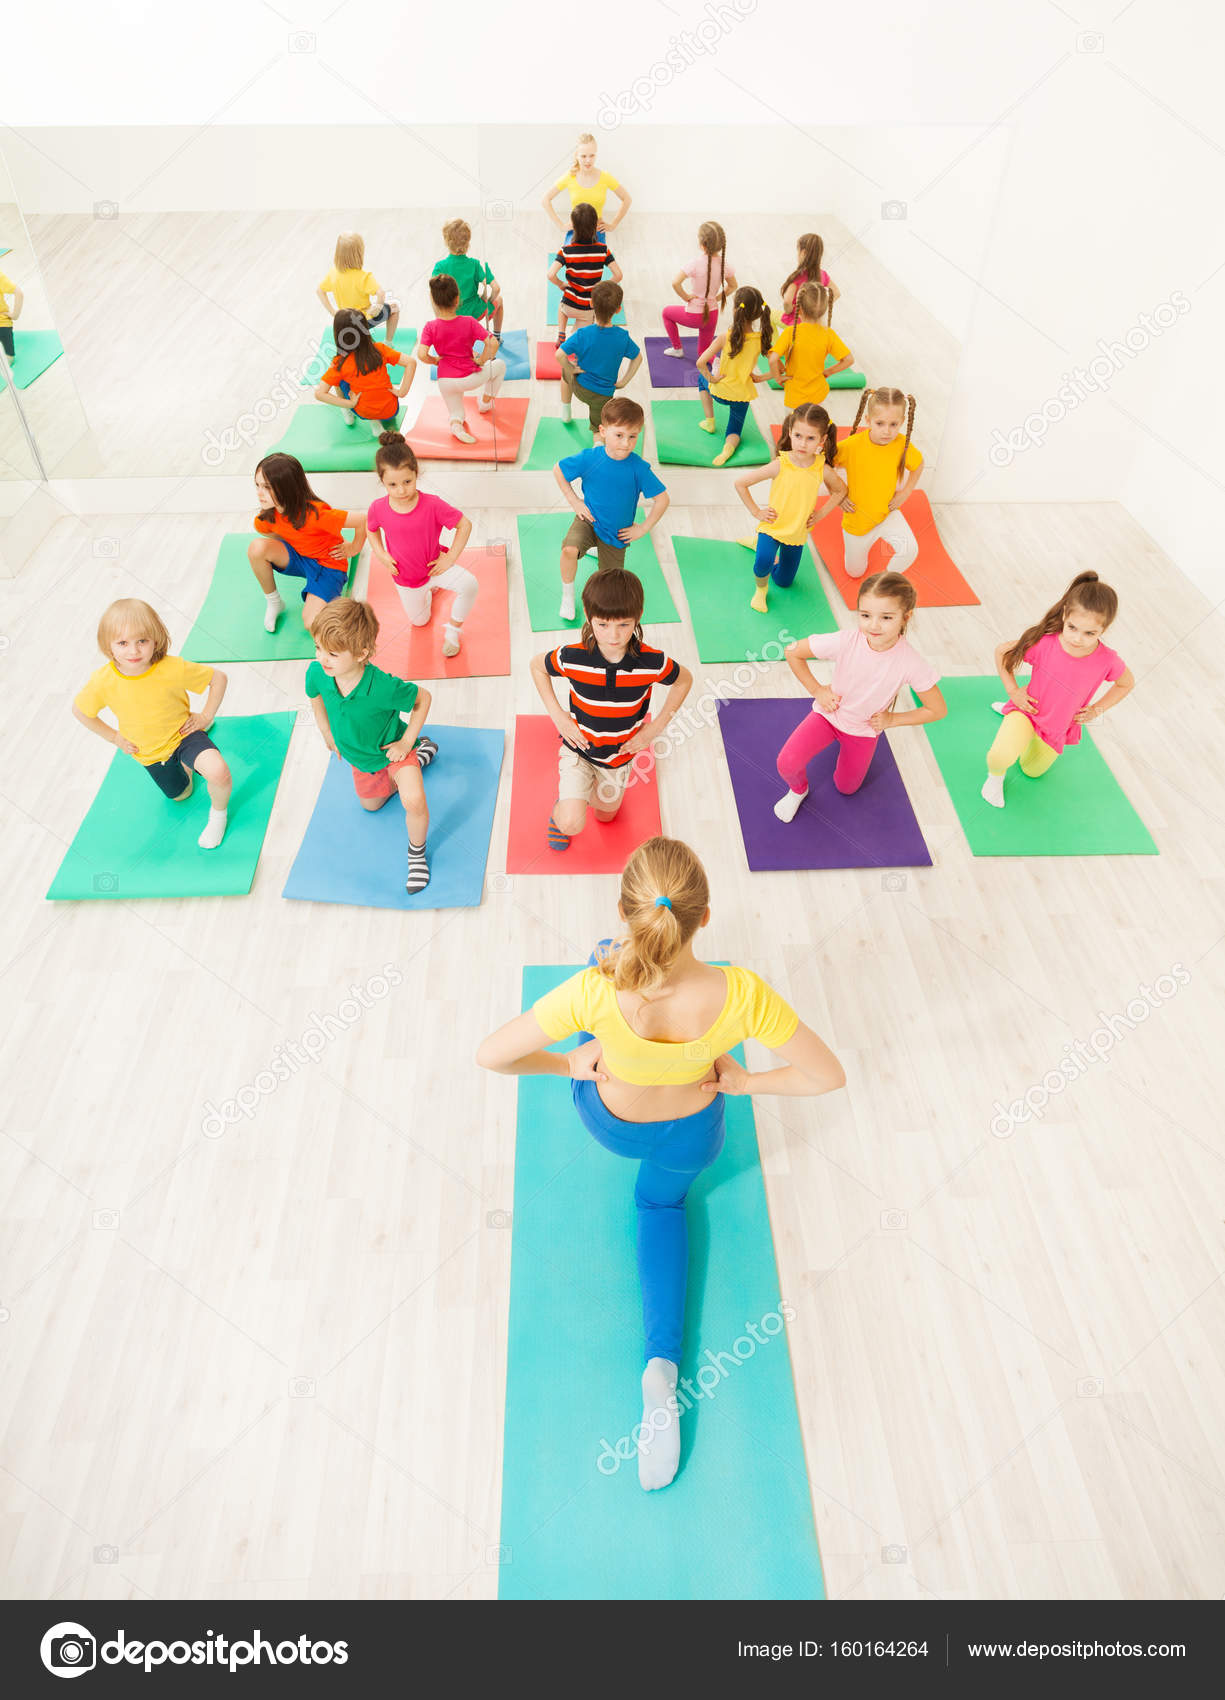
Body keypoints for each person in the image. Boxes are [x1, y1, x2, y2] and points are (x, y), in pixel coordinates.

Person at [476, 835, 845, 1490]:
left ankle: (615, 962)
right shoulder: (744, 994)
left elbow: (492, 1055)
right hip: (690, 1132)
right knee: (658, 1206)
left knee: (599, 972)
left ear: (627, 913)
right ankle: (660, 1368)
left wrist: (566, 1060)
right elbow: (824, 1078)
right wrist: (741, 1082)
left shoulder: (591, 992)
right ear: (705, 918)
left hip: (611, 1123)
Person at [530, 568, 691, 852]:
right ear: (589, 616)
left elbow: (684, 680)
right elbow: (536, 667)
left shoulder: (652, 662)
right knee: (572, 823)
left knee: (606, 815)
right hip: (578, 748)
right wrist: (558, 717)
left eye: (623, 625)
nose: (613, 635)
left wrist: (654, 729)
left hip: (618, 757)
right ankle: (565, 809)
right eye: (602, 625)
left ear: (637, 617)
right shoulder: (572, 656)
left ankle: (579, 797)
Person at [774, 572, 946, 816]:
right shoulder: (846, 640)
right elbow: (792, 651)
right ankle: (798, 790)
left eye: (886, 617)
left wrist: (893, 720)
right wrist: (817, 690)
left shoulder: (910, 662)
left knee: (846, 788)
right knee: (786, 763)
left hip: (863, 730)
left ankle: (847, 757)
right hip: (828, 716)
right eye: (865, 615)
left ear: (905, 617)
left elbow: (937, 709)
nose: (873, 625)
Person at [72, 599, 232, 850]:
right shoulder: (103, 681)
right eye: (123, 643)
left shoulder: (172, 667)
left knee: (218, 773)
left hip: (183, 735)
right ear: (108, 646)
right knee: (181, 795)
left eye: (142, 641)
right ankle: (186, 768)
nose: (133, 651)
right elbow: (81, 712)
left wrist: (205, 716)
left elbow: (218, 679)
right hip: (150, 752)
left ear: (155, 640)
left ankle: (218, 816)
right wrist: (114, 737)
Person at [304, 598, 437, 893]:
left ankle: (416, 854)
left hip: (393, 751)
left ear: (362, 653)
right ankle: (422, 755)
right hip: (362, 759)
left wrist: (405, 742)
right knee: (371, 806)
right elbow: (314, 695)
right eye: (318, 648)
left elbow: (422, 699)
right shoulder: (318, 673)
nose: (322, 659)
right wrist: (326, 732)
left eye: (333, 653)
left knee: (413, 801)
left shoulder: (382, 686)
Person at [982, 571, 1134, 808]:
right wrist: (1013, 691)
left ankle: (1021, 729)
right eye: (1072, 627)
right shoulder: (1044, 643)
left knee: (1031, 771)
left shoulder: (1107, 660)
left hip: (1057, 726)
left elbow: (1126, 683)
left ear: (1104, 629)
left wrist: (1097, 709)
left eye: (1089, 633)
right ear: (1065, 614)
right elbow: (1002, 652)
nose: (1077, 638)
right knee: (999, 756)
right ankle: (996, 771)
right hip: (1027, 711)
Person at [552, 397, 669, 622]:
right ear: (603, 431)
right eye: (619, 435)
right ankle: (567, 595)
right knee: (568, 550)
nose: (626, 443)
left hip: (616, 533)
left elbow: (663, 500)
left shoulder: (638, 468)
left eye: (633, 436)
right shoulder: (589, 458)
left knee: (608, 583)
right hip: (588, 520)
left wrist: (643, 529)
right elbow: (558, 469)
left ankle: (599, 549)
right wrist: (575, 501)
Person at [366, 431, 477, 659]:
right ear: (382, 481)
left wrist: (450, 558)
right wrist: (381, 554)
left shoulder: (432, 505)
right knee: (420, 622)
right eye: (393, 484)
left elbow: (464, 525)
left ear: (417, 473)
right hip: (406, 579)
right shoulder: (377, 508)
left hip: (435, 568)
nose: (401, 490)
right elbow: (371, 529)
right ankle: (428, 593)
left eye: (407, 481)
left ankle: (453, 630)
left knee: (469, 584)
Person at [733, 405, 845, 612]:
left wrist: (820, 514)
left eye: (810, 438)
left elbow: (840, 491)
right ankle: (761, 588)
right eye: (798, 435)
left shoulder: (823, 468)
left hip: (797, 532)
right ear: (789, 433)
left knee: (784, 581)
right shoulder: (780, 464)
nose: (803, 443)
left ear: (822, 441)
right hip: (772, 527)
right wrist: (756, 512)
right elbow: (741, 483)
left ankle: (759, 546)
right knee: (763, 562)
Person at [248, 454, 366, 633]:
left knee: (311, 623)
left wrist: (354, 547)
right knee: (257, 548)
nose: (259, 492)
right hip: (301, 558)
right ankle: (274, 602)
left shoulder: (317, 514)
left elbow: (362, 520)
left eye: (266, 487)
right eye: (257, 485)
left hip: (327, 566)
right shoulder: (266, 518)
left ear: (286, 488)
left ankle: (334, 601)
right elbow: (275, 535)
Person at [833, 387, 923, 578]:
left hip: (887, 514)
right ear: (868, 420)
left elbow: (918, 464)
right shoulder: (851, 446)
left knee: (910, 550)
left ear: (902, 422)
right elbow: (824, 465)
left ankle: (884, 581)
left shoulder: (901, 444)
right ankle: (862, 550)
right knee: (855, 572)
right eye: (880, 423)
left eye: (893, 424)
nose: (887, 431)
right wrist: (837, 495)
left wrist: (905, 493)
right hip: (857, 522)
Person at [417, 274, 505, 445]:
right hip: (470, 378)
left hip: (445, 382)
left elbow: (421, 354)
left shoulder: (430, 327)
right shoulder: (469, 322)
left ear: (434, 302)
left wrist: (434, 360)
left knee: (456, 413)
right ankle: (485, 403)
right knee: (499, 366)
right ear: (457, 300)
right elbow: (492, 343)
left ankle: (456, 425)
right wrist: (482, 361)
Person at [694, 286, 772, 467]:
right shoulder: (760, 339)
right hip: (741, 396)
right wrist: (762, 378)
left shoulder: (724, 337)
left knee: (700, 379)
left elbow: (700, 363)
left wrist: (712, 379)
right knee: (735, 429)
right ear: (759, 313)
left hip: (719, 391)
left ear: (735, 310)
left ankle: (710, 421)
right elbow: (779, 368)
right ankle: (727, 450)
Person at [557, 281, 641, 433]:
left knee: (564, 374)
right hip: (603, 396)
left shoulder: (582, 334)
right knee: (598, 431)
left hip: (579, 387)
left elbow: (560, 355)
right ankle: (598, 446)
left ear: (591, 303)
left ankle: (566, 413)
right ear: (618, 310)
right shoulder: (623, 337)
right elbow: (638, 358)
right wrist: (624, 382)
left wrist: (571, 369)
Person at [313, 310, 412, 436]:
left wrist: (350, 403)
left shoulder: (339, 363)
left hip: (364, 412)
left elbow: (319, 394)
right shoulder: (380, 349)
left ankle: (348, 410)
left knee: (339, 380)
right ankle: (375, 422)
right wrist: (402, 392)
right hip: (391, 409)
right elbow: (411, 362)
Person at [548, 201, 622, 347]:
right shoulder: (603, 250)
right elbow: (618, 275)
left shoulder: (566, 250)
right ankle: (574, 342)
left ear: (573, 227)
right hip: (589, 307)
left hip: (569, 304)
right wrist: (601, 287)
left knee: (561, 307)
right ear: (596, 226)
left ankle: (561, 334)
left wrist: (561, 284)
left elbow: (550, 275)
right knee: (580, 338)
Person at [660, 221, 736, 362]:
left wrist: (686, 297)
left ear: (702, 244)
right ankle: (719, 364)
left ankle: (677, 349)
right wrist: (716, 298)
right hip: (712, 315)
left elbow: (675, 283)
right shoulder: (724, 264)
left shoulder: (694, 263)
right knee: (704, 353)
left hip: (695, 316)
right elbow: (733, 286)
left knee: (666, 313)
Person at [768, 283, 852, 409]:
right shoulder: (829, 334)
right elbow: (849, 360)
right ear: (824, 309)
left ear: (799, 309)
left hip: (794, 395)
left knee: (793, 426)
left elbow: (773, 359)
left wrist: (778, 378)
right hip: (817, 393)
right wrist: (829, 371)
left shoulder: (790, 332)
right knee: (813, 425)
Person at [541, 131, 632, 236]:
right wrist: (561, 226)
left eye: (592, 155)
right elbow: (545, 200)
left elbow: (627, 199)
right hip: (575, 230)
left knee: (598, 253)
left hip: (597, 230)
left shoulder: (605, 177)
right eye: (583, 156)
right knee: (568, 253)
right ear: (577, 156)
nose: (588, 160)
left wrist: (613, 225)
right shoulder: (570, 176)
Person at [316, 231, 399, 339]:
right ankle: (388, 342)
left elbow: (319, 291)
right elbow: (381, 293)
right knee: (395, 309)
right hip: (363, 321)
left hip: (345, 322)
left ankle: (363, 339)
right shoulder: (364, 277)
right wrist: (377, 309)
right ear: (359, 253)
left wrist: (333, 312)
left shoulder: (333, 274)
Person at [431, 218, 503, 337]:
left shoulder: (440, 267)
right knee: (499, 300)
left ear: (446, 242)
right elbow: (496, 288)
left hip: (450, 316)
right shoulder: (475, 264)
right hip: (474, 314)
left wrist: (440, 316)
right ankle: (497, 336)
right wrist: (489, 300)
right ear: (468, 242)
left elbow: (434, 296)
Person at [780, 232, 839, 326]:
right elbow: (836, 293)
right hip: (814, 323)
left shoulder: (797, 277)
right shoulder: (823, 275)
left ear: (803, 253)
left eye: (798, 250)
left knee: (770, 316)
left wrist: (788, 311)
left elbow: (787, 302)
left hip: (794, 323)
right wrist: (819, 307)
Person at [0, 267, 22, 361]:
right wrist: (15, 315)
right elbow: (19, 293)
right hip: (3, 325)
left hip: (2, 326)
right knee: (9, 359)